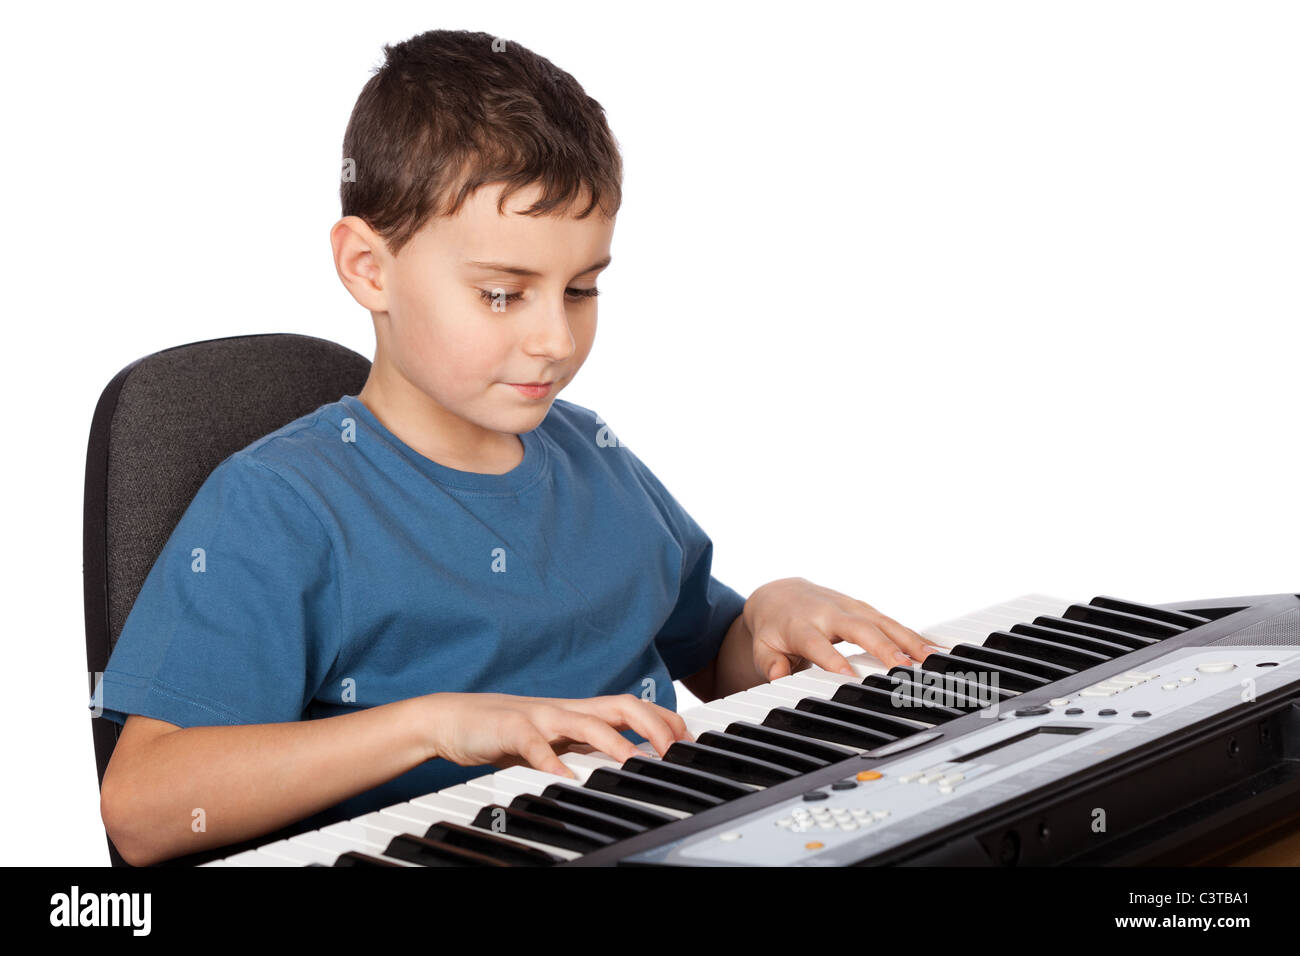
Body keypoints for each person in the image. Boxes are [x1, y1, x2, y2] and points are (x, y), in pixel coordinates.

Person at [94, 28, 933, 866]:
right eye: (503, 294)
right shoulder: (282, 506)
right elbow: (144, 809)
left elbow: (714, 661)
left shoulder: (593, 457)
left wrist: (767, 618)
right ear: (367, 268)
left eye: (581, 289)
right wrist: (431, 725)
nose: (554, 339)